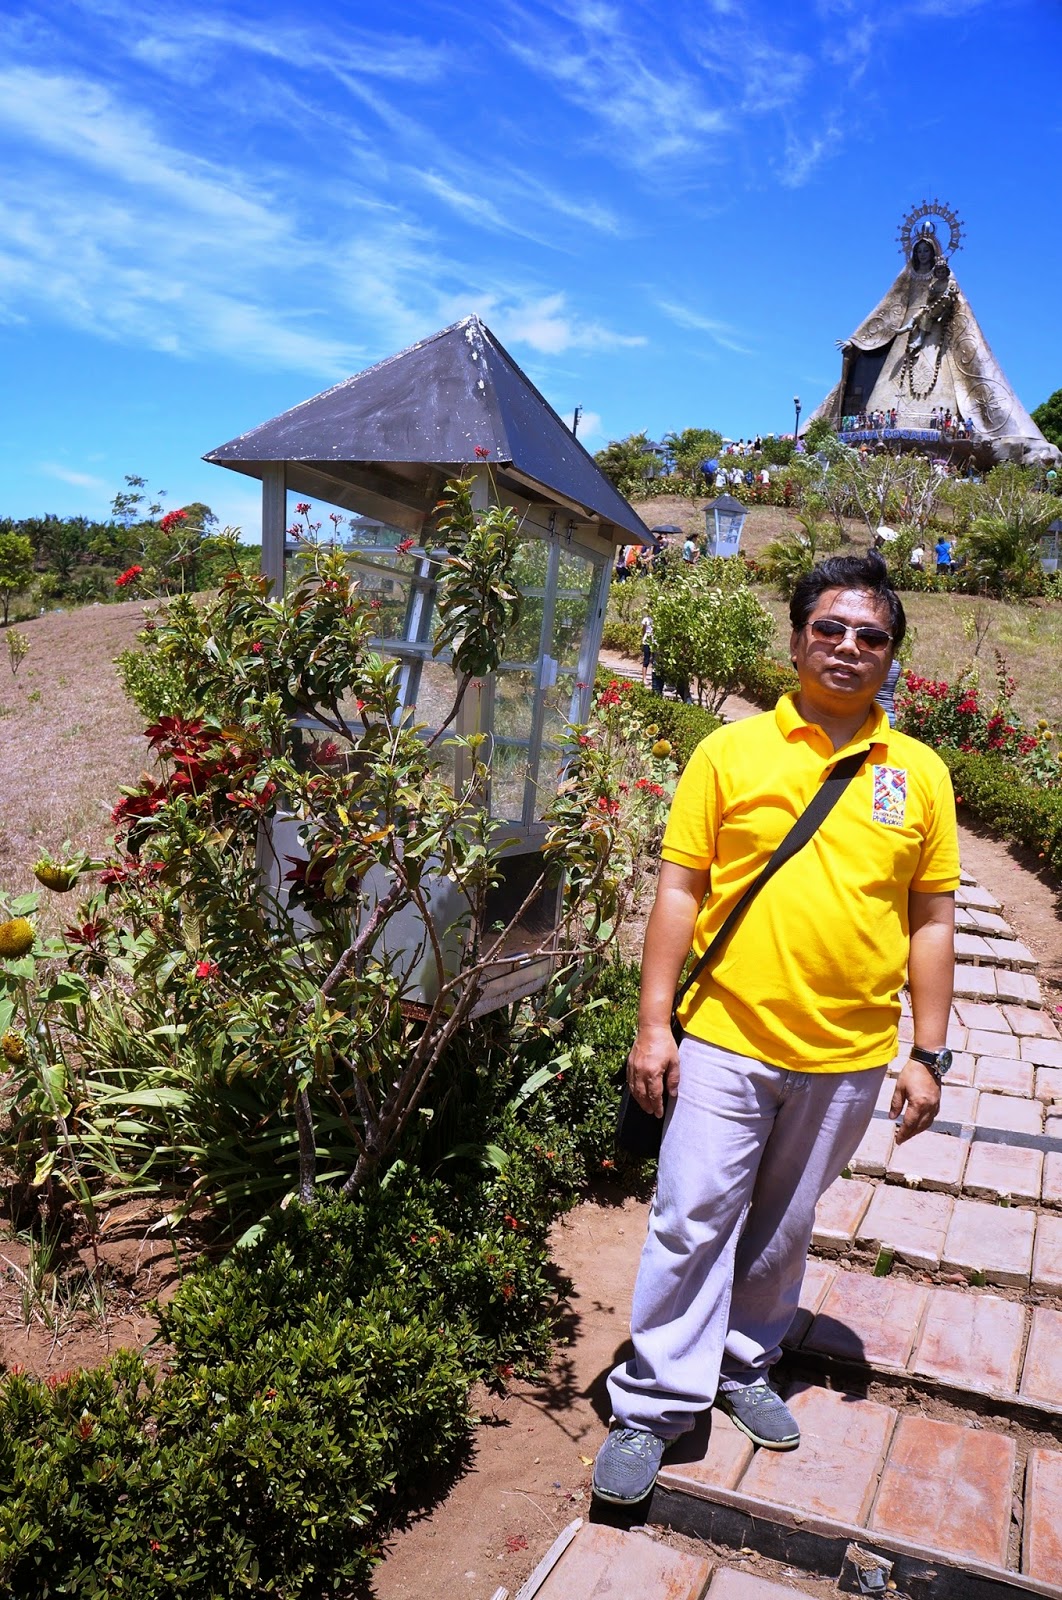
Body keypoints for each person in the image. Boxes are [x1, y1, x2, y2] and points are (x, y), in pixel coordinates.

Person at [591, 552, 958, 1506]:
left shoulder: (919, 774)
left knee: (783, 1227)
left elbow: (932, 918)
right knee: (690, 1219)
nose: (846, 647)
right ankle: (654, 1405)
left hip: (848, 1057)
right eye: (829, 629)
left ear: (891, 657)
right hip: (724, 1039)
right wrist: (652, 1026)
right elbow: (679, 890)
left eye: (869, 636)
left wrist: (927, 1051)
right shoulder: (731, 753)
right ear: (796, 638)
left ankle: (743, 1362)